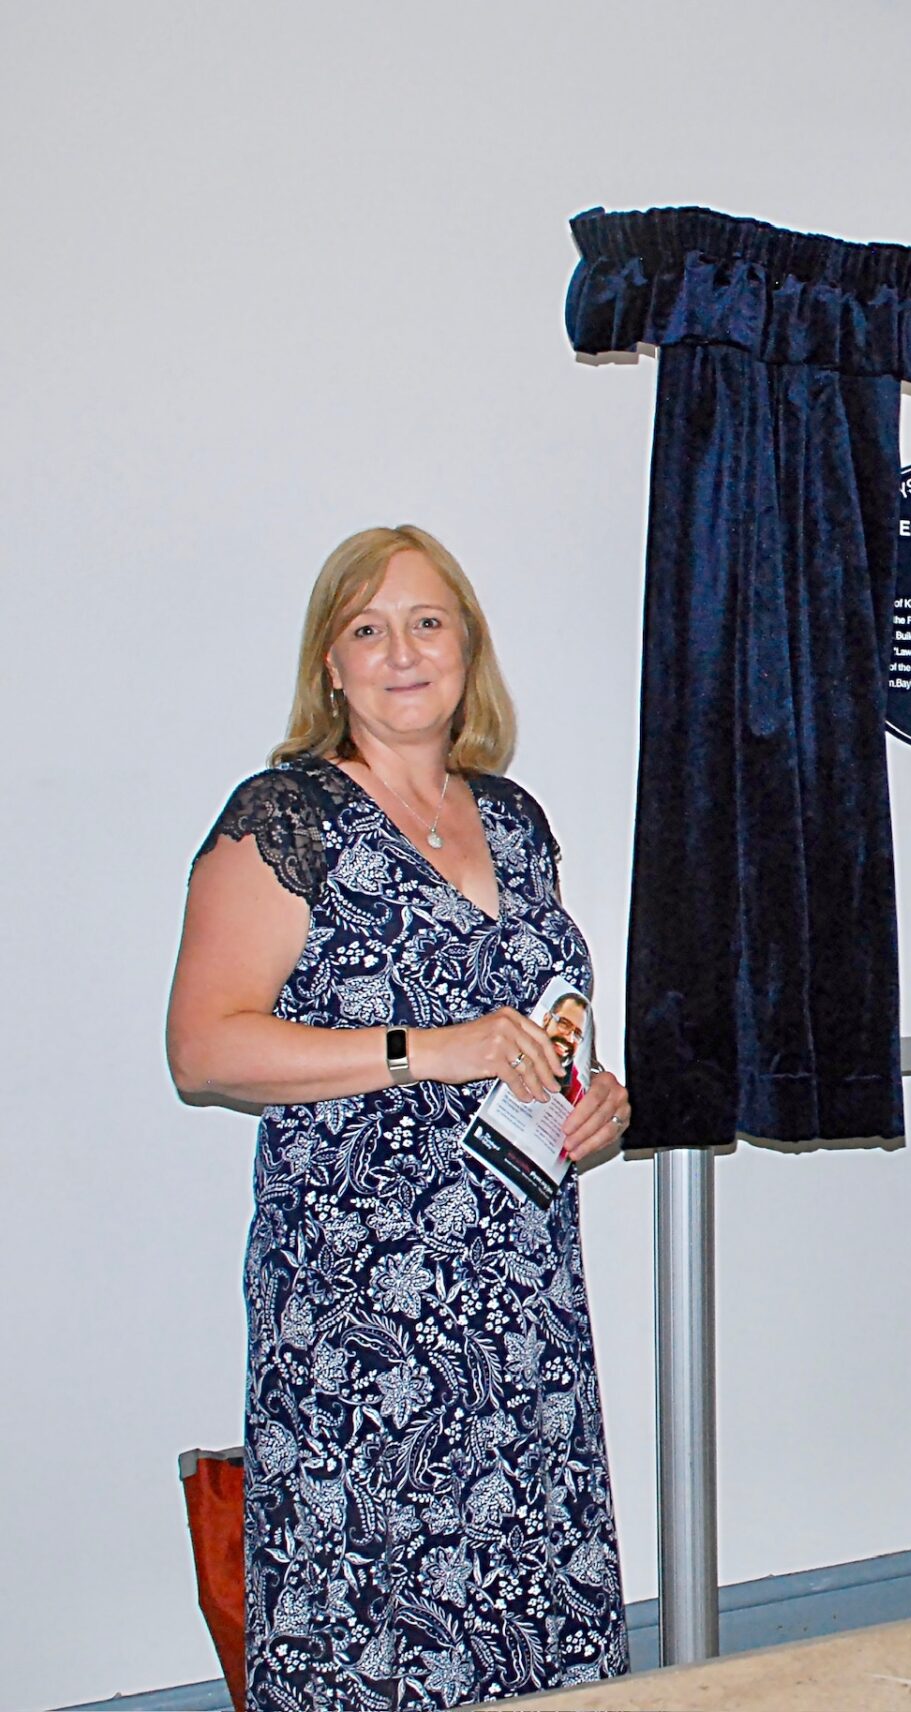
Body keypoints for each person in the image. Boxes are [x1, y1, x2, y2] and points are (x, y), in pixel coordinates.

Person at [167, 526, 632, 1706]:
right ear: (331, 663)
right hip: (358, 1312)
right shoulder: (289, 818)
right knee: (368, 1613)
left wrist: (595, 1103)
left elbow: (542, 1024)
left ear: (467, 646)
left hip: (523, 1299)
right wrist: (426, 1050)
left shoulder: (516, 822)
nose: (402, 651)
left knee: (531, 1599)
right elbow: (204, 1044)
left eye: (427, 621)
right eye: (367, 628)